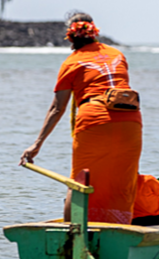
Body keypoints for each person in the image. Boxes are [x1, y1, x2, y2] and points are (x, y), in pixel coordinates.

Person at [20, 12, 142, 224]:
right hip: (131, 120)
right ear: (94, 32)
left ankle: (74, 235)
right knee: (122, 181)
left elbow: (57, 108)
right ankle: (117, 231)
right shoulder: (117, 54)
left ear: (70, 37)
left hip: (94, 120)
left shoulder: (71, 62)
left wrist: (37, 144)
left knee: (80, 181)